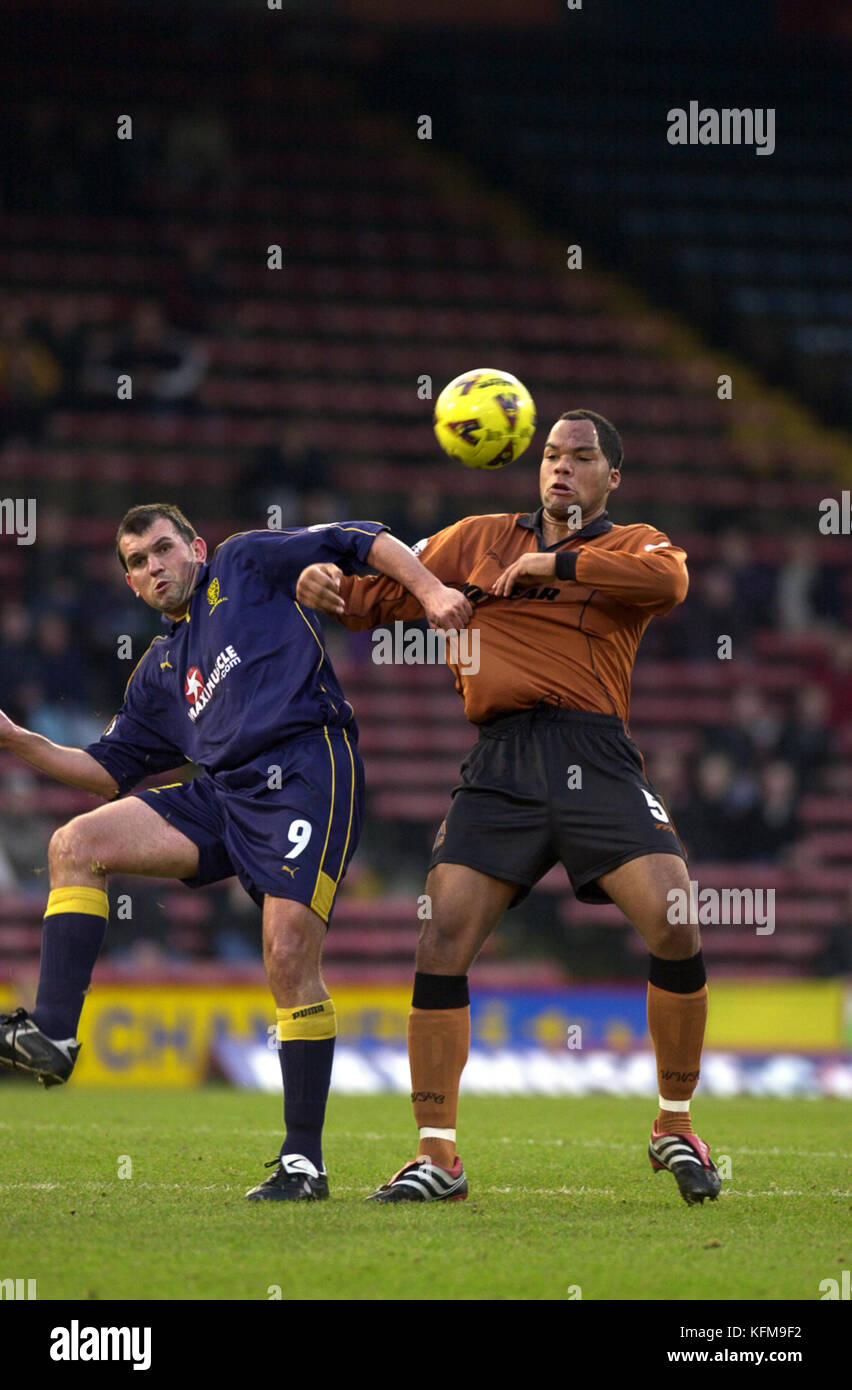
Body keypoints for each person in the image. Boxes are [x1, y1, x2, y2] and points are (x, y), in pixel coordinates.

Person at [296, 409, 721, 1207]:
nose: (561, 468)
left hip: (593, 752)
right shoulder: (474, 537)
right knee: (441, 937)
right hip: (500, 761)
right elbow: (380, 594)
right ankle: (438, 1156)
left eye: (581, 457)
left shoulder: (636, 544)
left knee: (675, 918)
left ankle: (674, 1124)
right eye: (551, 455)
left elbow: (672, 583)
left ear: (612, 477)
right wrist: (327, 587)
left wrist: (548, 570)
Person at [0, 503, 471, 1201]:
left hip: (307, 768)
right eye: (137, 562)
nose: (154, 566)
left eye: (163, 549)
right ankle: (56, 1035)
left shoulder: (245, 562)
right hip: (221, 793)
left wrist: (431, 591)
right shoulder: (159, 671)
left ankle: (302, 1164)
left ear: (196, 545)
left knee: (286, 954)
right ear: (130, 584)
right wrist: (16, 741)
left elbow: (358, 539)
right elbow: (107, 770)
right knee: (76, 842)